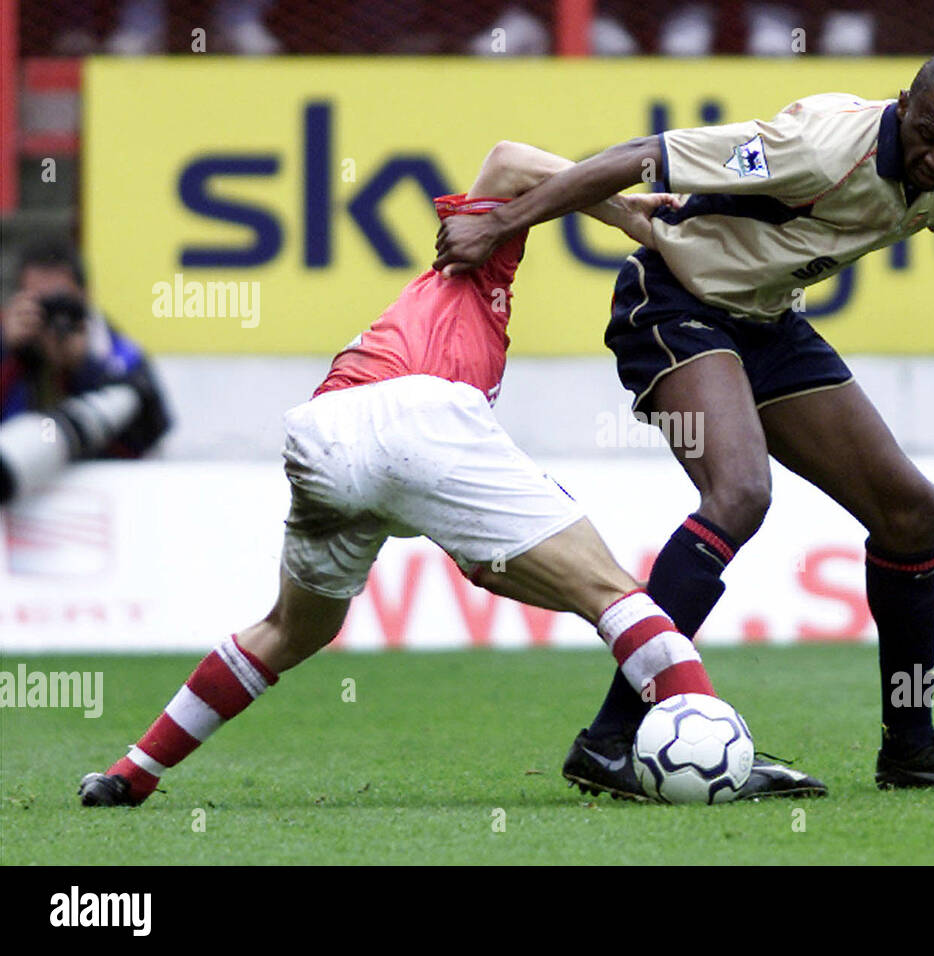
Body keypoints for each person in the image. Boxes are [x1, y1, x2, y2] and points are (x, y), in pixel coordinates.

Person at [433, 50, 934, 795]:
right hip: (677, 301)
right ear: (903, 104)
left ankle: (912, 750)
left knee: (911, 511)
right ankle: (610, 740)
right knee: (740, 493)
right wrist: (501, 222)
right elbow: (640, 158)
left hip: (767, 323)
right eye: (929, 137)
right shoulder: (821, 146)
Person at [78, 141, 726, 808]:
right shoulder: (478, 265)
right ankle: (714, 737)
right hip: (421, 413)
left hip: (325, 435)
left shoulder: (451, 313)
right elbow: (508, 159)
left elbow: (483, 558)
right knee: (614, 592)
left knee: (293, 630)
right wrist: (628, 213)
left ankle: (132, 772)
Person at [0, 241, 170, 503]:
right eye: (40, 302)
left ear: (84, 296)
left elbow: (151, 430)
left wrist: (83, 370)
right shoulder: (12, 347)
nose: (52, 313)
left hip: (100, 496)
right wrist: (6, 352)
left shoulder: (116, 353)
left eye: (60, 300)